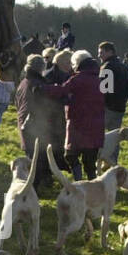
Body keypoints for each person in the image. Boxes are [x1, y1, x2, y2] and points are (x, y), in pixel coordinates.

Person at [45, 49, 105, 180]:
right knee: (90, 162)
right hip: (96, 123)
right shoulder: (101, 78)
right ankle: (93, 187)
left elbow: (62, 90)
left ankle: (78, 182)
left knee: (70, 155)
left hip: (78, 123)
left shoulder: (77, 78)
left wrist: (44, 87)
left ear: (78, 63)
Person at [14, 53, 65, 195]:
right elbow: (46, 106)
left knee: (34, 158)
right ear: (40, 68)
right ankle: (32, 192)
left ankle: (38, 186)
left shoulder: (23, 83)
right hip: (36, 127)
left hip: (24, 124)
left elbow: (17, 103)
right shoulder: (38, 84)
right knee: (37, 161)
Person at [98, 41, 128, 131]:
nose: (99, 55)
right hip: (120, 107)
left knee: (99, 137)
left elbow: (103, 90)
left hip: (108, 108)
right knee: (114, 138)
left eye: (101, 52)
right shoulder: (124, 67)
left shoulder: (107, 67)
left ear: (110, 52)